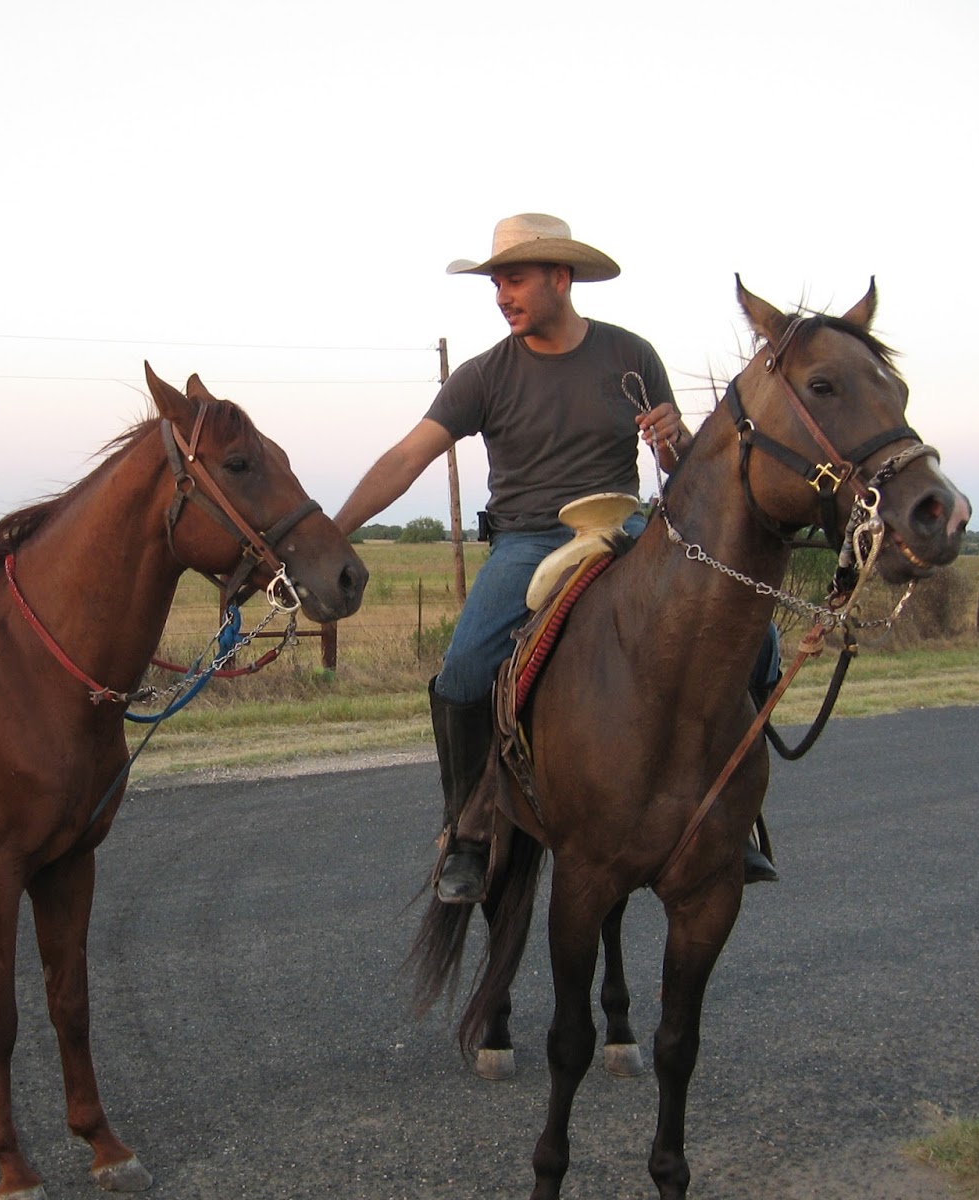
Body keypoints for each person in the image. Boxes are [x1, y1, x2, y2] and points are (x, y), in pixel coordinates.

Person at [332, 213, 778, 903]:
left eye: (513, 280)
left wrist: (671, 439)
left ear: (560, 279)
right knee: (463, 673)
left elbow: (681, 470)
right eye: (496, 282)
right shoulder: (484, 376)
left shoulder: (631, 354)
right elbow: (406, 457)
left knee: (753, 634)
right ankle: (469, 831)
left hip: (629, 525)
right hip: (530, 538)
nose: (501, 295)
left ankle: (734, 811)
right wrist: (338, 528)